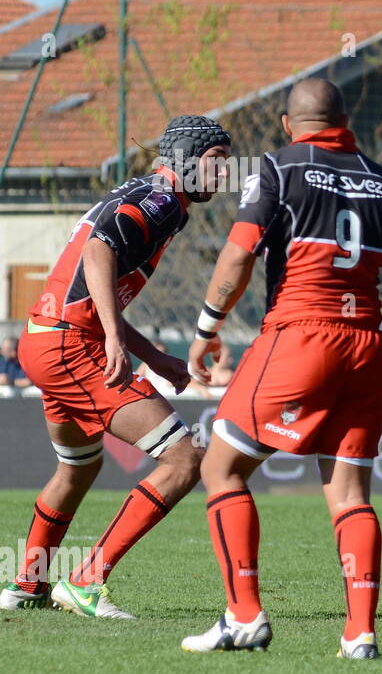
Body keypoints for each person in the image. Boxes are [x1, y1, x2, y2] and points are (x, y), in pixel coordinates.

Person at [182, 78, 382, 659]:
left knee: (221, 467)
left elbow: (239, 254)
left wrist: (206, 330)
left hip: (300, 334)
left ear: (290, 125)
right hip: (365, 344)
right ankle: (360, 634)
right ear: (347, 121)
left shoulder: (276, 167)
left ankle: (244, 616)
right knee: (349, 493)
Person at [0, 115, 230, 616]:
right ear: (186, 160)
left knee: (77, 469)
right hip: (69, 346)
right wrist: (110, 338)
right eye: (216, 163)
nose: (224, 175)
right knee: (185, 458)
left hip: (46, 339)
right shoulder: (164, 199)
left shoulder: (150, 194)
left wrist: (155, 357)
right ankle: (85, 581)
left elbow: (94, 281)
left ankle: (27, 583)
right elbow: (99, 252)